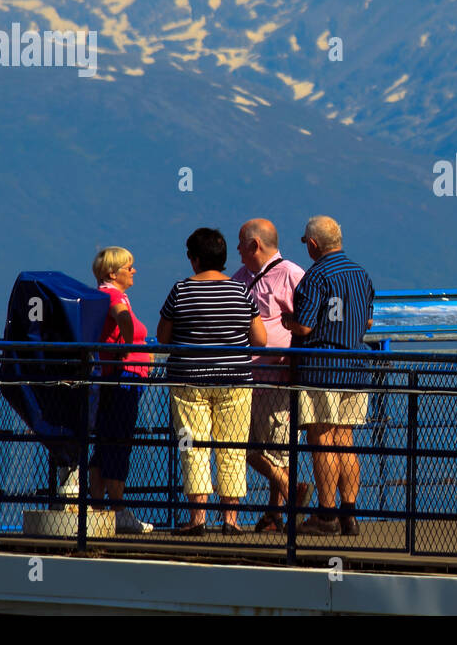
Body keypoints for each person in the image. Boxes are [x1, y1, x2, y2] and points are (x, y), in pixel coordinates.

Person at [157, 228, 267, 535]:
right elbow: (260, 339)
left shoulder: (181, 290)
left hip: (188, 381)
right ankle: (230, 521)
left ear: (194, 260)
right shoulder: (241, 291)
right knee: (231, 448)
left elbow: (163, 338)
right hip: (235, 380)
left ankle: (197, 519)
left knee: (194, 447)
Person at [284, 216, 374, 536]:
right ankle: (349, 514)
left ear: (312, 244)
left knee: (321, 438)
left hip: (321, 367)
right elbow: (367, 324)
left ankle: (325, 515)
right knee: (345, 439)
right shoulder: (360, 274)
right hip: (355, 366)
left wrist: (287, 322)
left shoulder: (316, 276)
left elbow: (305, 326)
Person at [230, 218, 314, 533]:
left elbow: (307, 321)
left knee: (275, 447)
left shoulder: (292, 275)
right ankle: (290, 490)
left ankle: (274, 514)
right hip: (246, 376)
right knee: (246, 446)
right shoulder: (239, 278)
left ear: (255, 244)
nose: (236, 249)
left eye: (240, 243)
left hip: (278, 375)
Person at [89, 246, 154, 534]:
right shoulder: (114, 296)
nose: (134, 270)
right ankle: (117, 510)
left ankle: (99, 508)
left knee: (107, 442)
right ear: (113, 273)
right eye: (129, 267)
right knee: (118, 441)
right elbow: (122, 318)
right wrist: (129, 346)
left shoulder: (111, 294)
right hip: (122, 379)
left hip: (117, 377)